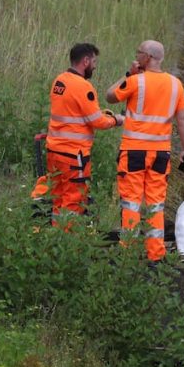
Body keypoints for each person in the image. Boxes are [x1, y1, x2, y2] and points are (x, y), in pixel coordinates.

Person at [105, 40, 184, 262]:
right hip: (160, 154)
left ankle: (129, 254)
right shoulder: (176, 85)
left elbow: (110, 96)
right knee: (155, 204)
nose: (137, 55)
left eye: (139, 52)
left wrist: (129, 73)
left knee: (131, 203)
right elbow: (182, 119)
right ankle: (156, 256)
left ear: (148, 57)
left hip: (134, 152)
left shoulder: (136, 82)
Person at [43, 43, 123, 228]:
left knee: (57, 198)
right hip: (74, 156)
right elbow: (98, 122)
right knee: (73, 201)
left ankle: (54, 238)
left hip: (54, 151)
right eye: (94, 61)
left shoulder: (59, 81)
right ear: (85, 61)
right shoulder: (83, 87)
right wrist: (117, 120)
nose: (95, 66)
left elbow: (74, 113)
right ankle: (67, 245)